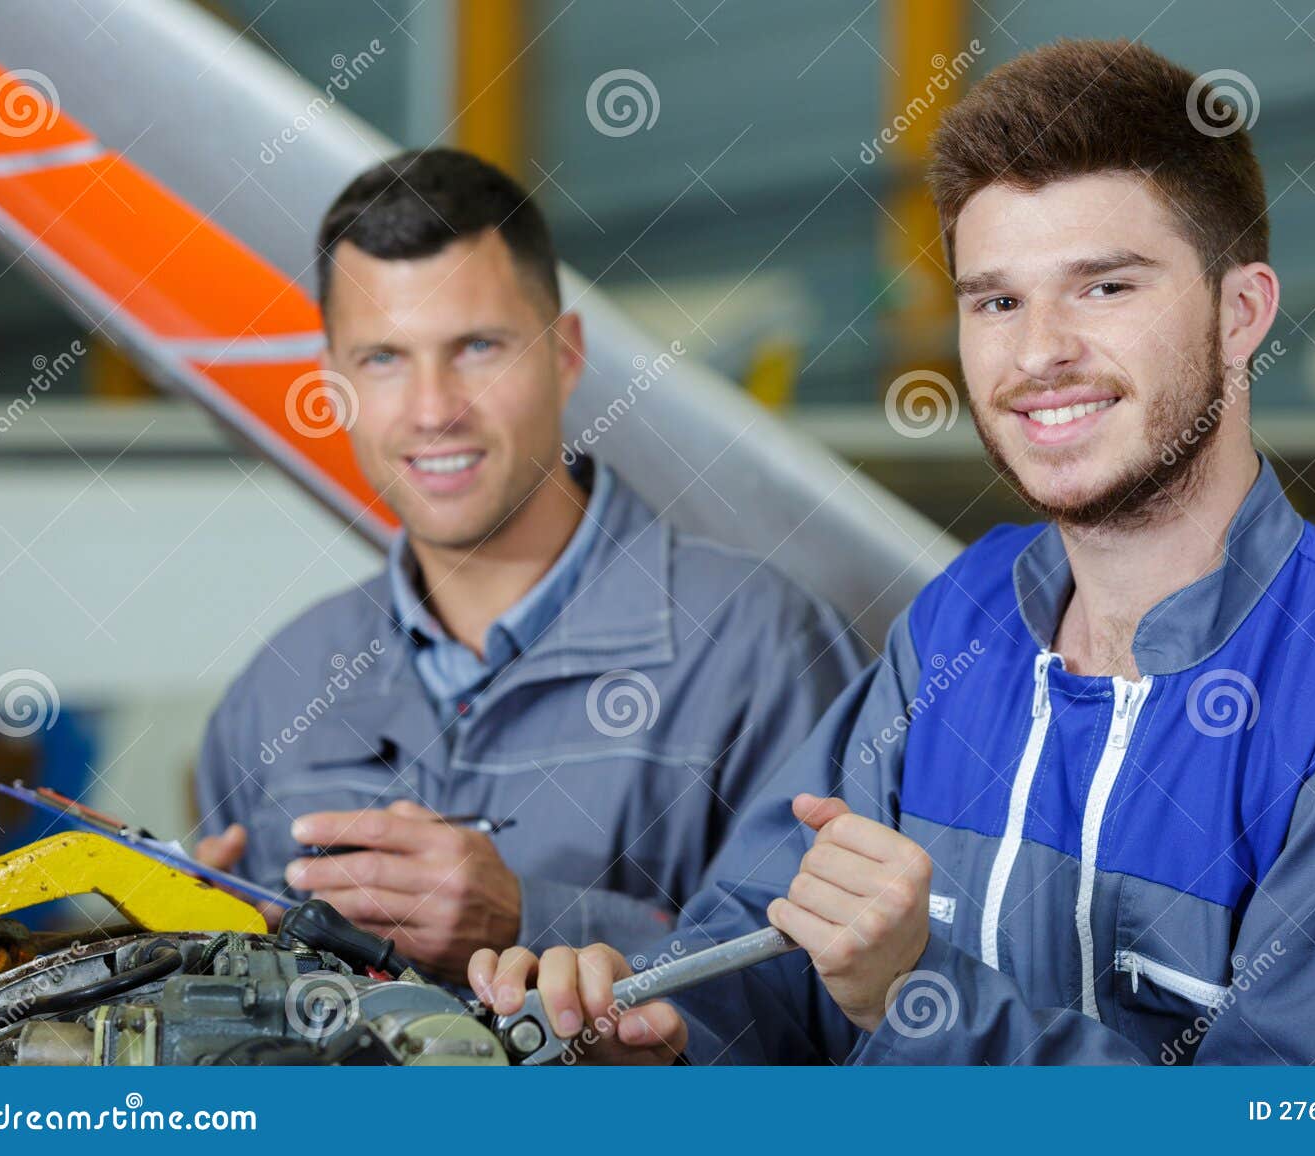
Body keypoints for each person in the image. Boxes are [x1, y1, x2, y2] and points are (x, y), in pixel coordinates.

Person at [469, 40, 1315, 1064]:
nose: (1038, 354)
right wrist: (662, 1023)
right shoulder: (962, 621)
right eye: (996, 299)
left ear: (1240, 312)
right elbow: (771, 935)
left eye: (1105, 286)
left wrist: (914, 995)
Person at [194, 149, 861, 985]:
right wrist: (200, 952)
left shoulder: (757, 647)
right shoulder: (277, 690)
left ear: (566, 353)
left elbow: (825, 1004)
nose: (435, 411)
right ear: (334, 385)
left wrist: (527, 919)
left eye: (477, 347)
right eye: (385, 359)